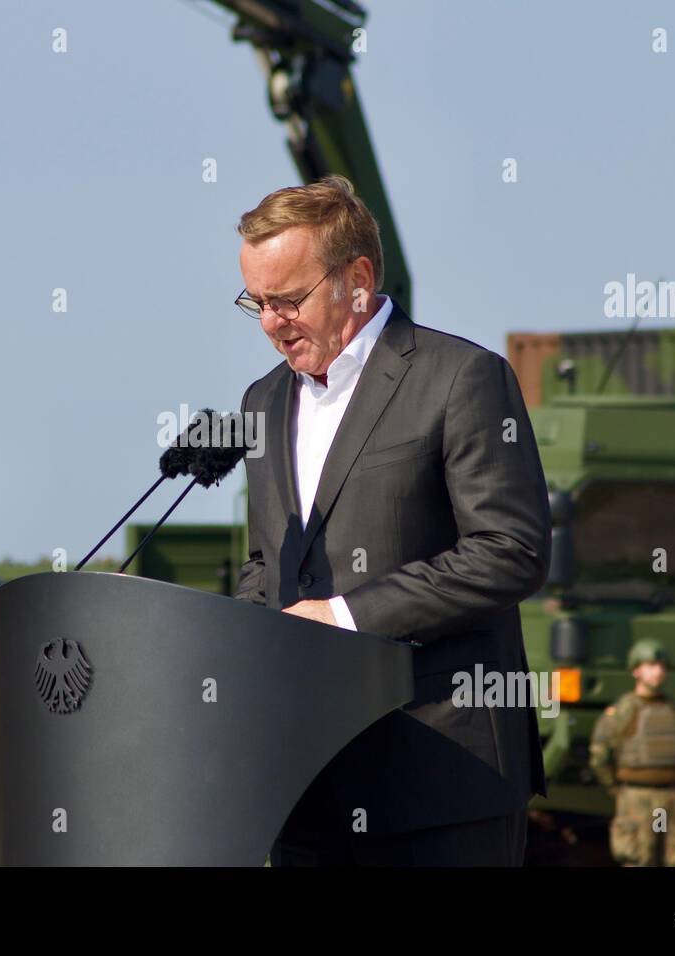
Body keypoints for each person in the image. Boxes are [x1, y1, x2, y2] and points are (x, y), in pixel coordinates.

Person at [232, 175, 551, 865]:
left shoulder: (461, 377)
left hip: (441, 781)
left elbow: (510, 551)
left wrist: (343, 617)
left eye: (288, 300)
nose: (270, 323)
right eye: (255, 303)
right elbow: (267, 567)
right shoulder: (261, 402)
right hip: (303, 787)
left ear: (357, 278)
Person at [588, 639, 675, 867]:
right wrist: (615, 788)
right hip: (636, 799)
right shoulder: (622, 712)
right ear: (636, 670)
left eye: (661, 666)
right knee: (639, 858)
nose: (657, 672)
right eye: (650, 665)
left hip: (670, 800)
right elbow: (600, 755)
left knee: (673, 858)